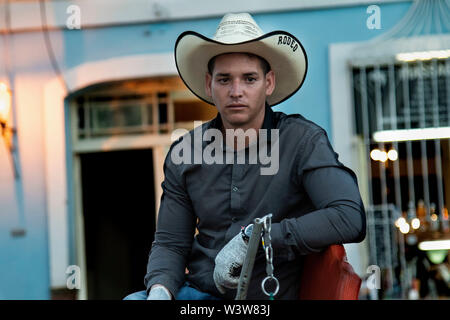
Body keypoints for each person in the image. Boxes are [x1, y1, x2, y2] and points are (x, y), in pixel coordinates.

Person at [123, 12, 366, 300]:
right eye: (224, 79)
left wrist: (258, 238)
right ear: (208, 85)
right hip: (200, 295)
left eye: (249, 79)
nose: (236, 91)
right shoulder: (184, 153)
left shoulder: (302, 141)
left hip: (266, 297)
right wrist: (160, 289)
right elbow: (171, 243)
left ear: (269, 83)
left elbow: (349, 216)